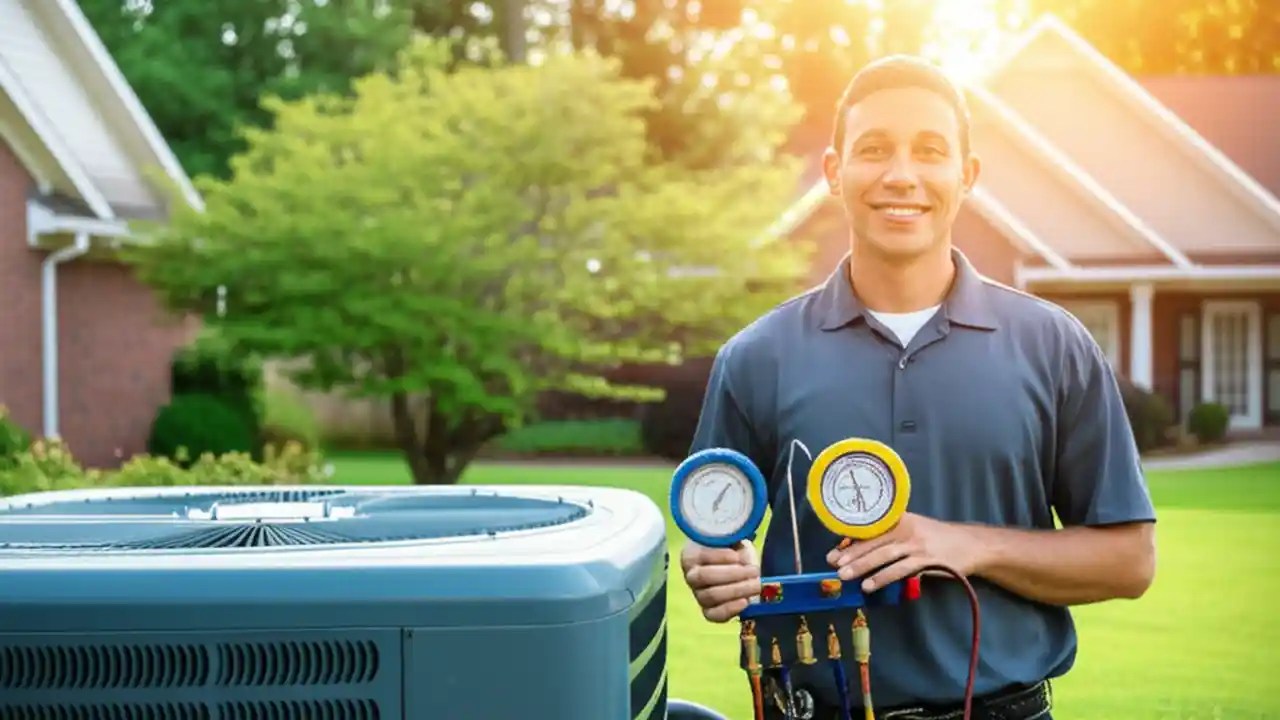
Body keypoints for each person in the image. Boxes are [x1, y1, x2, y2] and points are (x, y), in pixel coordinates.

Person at [678, 55, 1157, 720]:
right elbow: (712, 528)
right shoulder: (757, 357)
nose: (901, 175)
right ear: (834, 174)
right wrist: (709, 567)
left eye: (929, 151)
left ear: (967, 176)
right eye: (873, 150)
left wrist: (969, 544)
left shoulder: (1053, 345)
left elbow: (1129, 560)